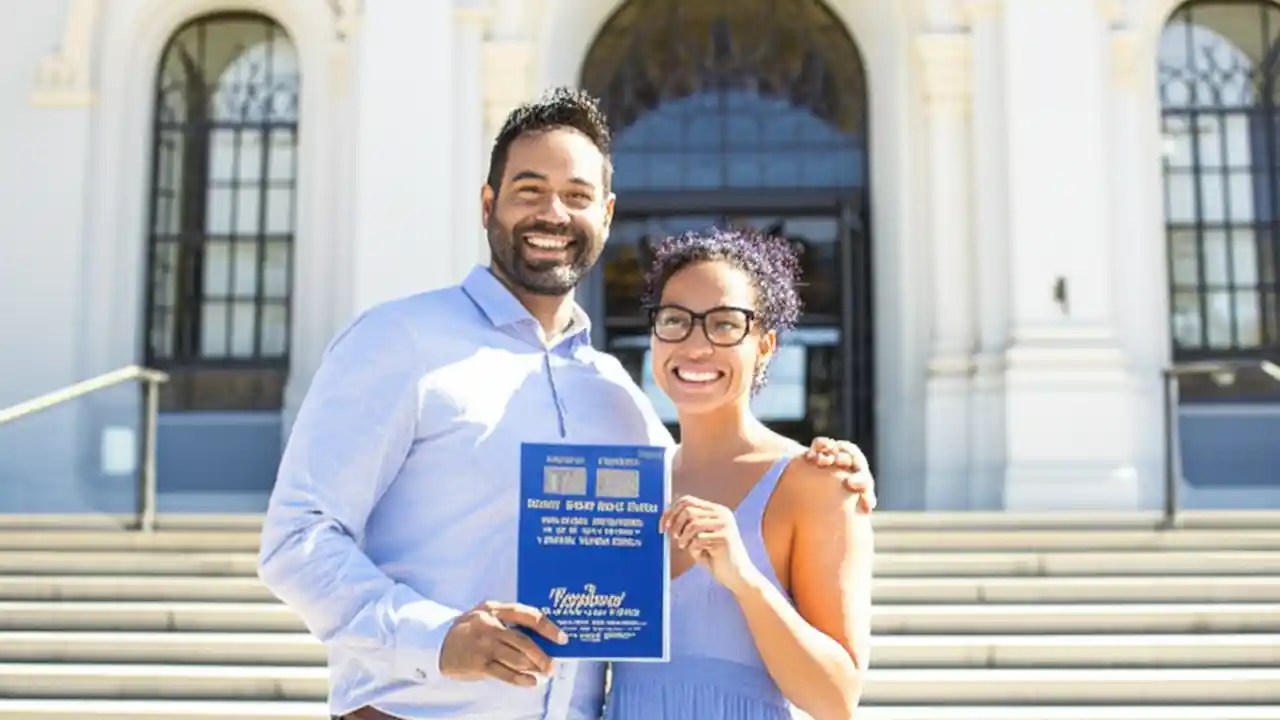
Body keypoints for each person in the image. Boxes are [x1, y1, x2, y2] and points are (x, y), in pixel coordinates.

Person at [257, 87, 876, 720]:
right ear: (488, 204)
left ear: (605, 215)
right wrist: (437, 639)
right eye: (529, 190)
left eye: (577, 195)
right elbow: (298, 538)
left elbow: (711, 485)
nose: (553, 212)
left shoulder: (618, 398)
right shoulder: (399, 341)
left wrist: (829, 465)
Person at [604, 228, 873, 720]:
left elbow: (837, 700)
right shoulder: (626, 485)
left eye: (725, 324)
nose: (695, 345)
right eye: (675, 320)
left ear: (765, 345)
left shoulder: (817, 483)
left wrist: (744, 578)